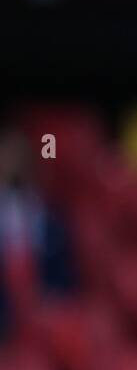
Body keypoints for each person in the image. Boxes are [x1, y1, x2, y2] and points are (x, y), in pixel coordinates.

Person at [0, 128, 77, 344]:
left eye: (19, 156)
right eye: (7, 156)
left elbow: (64, 274)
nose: (13, 164)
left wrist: (50, 305)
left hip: (44, 314)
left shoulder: (49, 213)